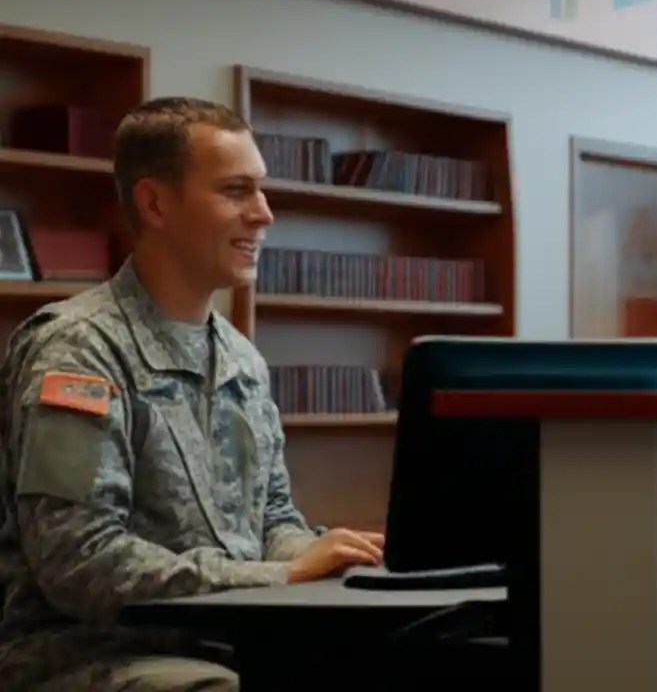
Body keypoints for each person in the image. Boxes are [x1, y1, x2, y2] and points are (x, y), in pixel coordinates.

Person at [0, 97, 387, 691]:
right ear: (154, 203)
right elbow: (78, 559)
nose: (264, 215)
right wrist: (277, 578)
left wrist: (333, 554)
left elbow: (272, 520)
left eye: (260, 190)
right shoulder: (78, 350)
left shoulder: (242, 359)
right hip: (85, 653)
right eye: (236, 191)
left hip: (231, 635)